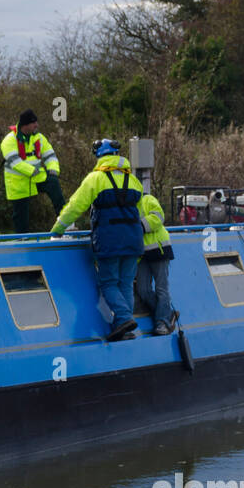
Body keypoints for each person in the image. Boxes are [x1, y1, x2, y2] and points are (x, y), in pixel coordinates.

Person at [51, 140, 145, 341]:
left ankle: (124, 317)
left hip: (110, 240)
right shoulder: (134, 181)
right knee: (126, 283)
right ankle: (124, 328)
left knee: (108, 283)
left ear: (99, 157)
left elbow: (76, 206)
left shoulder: (95, 179)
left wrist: (58, 228)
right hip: (134, 240)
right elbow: (142, 213)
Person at [2, 109, 64, 233]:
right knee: (21, 216)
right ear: (25, 125)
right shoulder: (9, 140)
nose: (37, 125)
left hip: (36, 177)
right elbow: (15, 162)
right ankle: (21, 240)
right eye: (34, 123)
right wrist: (32, 171)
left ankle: (66, 222)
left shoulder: (39, 137)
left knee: (53, 183)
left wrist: (53, 169)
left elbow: (50, 155)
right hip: (18, 183)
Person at [136, 189, 178, 335]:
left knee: (161, 289)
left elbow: (158, 217)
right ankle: (167, 314)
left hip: (159, 249)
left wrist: (139, 226)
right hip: (142, 255)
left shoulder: (148, 199)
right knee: (143, 290)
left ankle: (162, 322)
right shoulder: (127, 207)